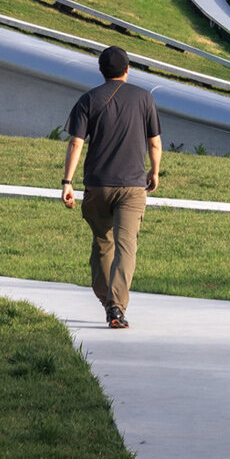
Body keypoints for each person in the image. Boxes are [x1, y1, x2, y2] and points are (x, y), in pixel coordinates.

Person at [60, 46, 161, 329]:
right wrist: (154, 171)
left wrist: (67, 182)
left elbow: (76, 142)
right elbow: (154, 141)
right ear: (127, 70)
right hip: (132, 186)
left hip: (98, 185)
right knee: (126, 246)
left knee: (103, 244)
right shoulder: (145, 98)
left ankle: (109, 303)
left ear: (101, 71)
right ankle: (116, 306)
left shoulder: (88, 99)